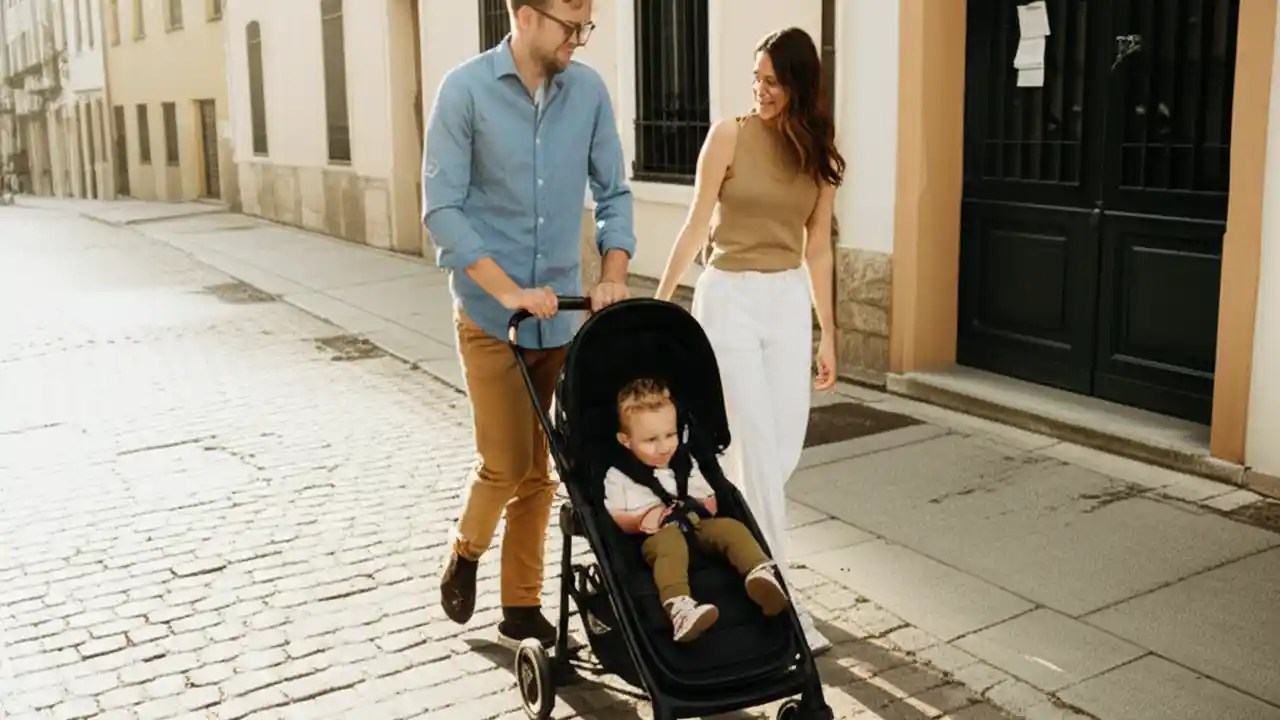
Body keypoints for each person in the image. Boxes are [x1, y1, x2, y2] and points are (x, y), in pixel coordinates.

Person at [424, 0, 636, 650]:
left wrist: (615, 272)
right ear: (523, 12)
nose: (579, 37)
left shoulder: (589, 92)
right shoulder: (464, 92)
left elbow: (615, 193)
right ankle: (465, 551)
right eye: (570, 23)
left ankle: (521, 607)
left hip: (561, 321)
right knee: (506, 463)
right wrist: (510, 290)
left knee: (545, 469)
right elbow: (442, 210)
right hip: (492, 319)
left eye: (585, 24)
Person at [653, 27, 846, 655]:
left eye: (772, 81)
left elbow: (817, 248)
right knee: (759, 450)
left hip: (787, 302)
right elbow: (693, 222)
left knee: (781, 447)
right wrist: (659, 306)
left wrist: (829, 330)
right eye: (755, 78)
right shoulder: (729, 134)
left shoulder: (820, 153)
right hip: (729, 298)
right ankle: (788, 607)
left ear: (799, 85)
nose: (759, 91)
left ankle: (739, 557)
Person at [602, 378, 790, 643]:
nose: (664, 446)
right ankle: (679, 607)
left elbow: (710, 499)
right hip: (656, 537)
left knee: (731, 528)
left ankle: (759, 574)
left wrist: (701, 504)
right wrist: (643, 520)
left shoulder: (685, 463)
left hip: (695, 525)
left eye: (670, 435)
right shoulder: (618, 476)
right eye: (651, 440)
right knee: (669, 542)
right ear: (626, 440)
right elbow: (617, 518)